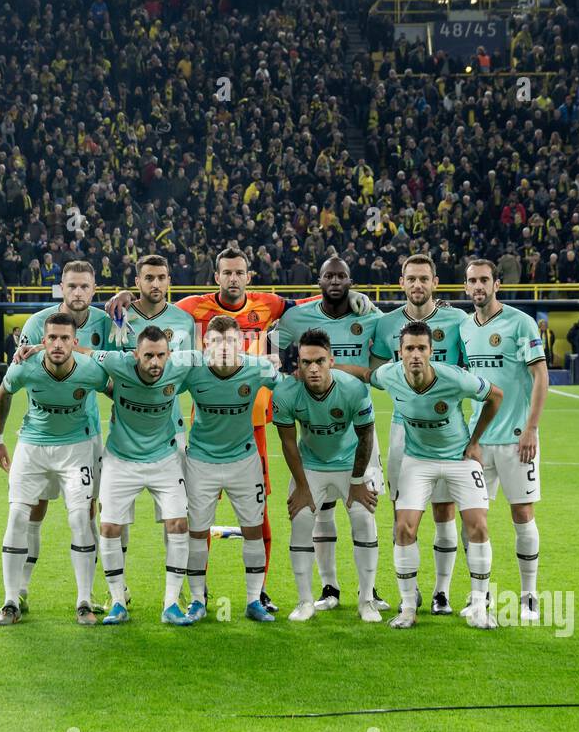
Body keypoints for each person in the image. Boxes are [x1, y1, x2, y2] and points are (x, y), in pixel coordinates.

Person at [105, 246, 376, 615]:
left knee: (256, 519)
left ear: (248, 276)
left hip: (254, 433)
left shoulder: (265, 309)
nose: (233, 278)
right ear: (216, 276)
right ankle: (198, 594)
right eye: (226, 272)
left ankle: (257, 594)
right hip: (201, 445)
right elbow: (156, 307)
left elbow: (308, 304)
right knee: (197, 523)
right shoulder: (191, 313)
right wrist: (128, 297)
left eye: (239, 272)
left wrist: (349, 293)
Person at [274, 255, 389, 613]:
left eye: (342, 275)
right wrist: (294, 373)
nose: (335, 281)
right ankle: (328, 589)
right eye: (328, 275)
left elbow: (380, 371)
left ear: (351, 279)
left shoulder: (370, 316)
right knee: (316, 514)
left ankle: (368, 593)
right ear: (319, 280)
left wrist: (343, 373)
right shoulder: (295, 317)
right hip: (314, 438)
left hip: (356, 430)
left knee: (364, 514)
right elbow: (272, 349)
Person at [370, 322, 504, 629]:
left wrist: (475, 441)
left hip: (460, 458)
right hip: (418, 461)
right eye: (409, 349)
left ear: (431, 351)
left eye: (421, 348)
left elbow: (495, 396)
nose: (415, 354)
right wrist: (332, 368)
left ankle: (480, 604)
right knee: (404, 528)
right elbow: (367, 375)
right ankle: (407, 608)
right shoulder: (389, 374)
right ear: (400, 352)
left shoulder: (454, 377)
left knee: (478, 526)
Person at [0, 311, 108, 626]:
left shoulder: (90, 370)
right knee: (18, 515)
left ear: (75, 342)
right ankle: (11, 601)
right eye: (52, 338)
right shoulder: (25, 366)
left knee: (81, 519)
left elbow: (118, 390)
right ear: (43, 342)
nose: (58, 344)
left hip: (77, 449)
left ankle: (84, 600)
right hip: (32, 447)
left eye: (64, 338)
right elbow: (4, 393)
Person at [368, 254, 468, 615]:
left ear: (435, 283)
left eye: (424, 279)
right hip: (403, 429)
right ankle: (408, 595)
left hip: (446, 429)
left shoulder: (457, 320)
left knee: (444, 510)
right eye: (411, 279)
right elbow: (377, 371)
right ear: (401, 282)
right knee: (402, 513)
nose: (418, 285)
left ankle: (442, 592)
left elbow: (470, 369)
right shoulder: (386, 324)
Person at [458, 258, 549, 623]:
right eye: (472, 281)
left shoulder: (520, 323)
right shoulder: (463, 327)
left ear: (497, 284)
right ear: (466, 288)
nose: (478, 286)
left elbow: (541, 377)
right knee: (473, 519)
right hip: (477, 441)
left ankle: (529, 595)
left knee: (522, 514)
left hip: (515, 440)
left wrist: (531, 429)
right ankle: (480, 595)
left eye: (484, 280)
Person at [90, 326, 196, 626]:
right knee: (109, 527)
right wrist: (38, 350)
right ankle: (117, 602)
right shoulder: (116, 362)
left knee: (178, 524)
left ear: (169, 354)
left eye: (161, 355)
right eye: (148, 355)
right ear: (134, 354)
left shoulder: (181, 364)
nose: (155, 363)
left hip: (164, 459)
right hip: (120, 460)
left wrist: (262, 360)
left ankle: (172, 604)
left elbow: (216, 356)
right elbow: (84, 354)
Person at [177, 315, 280, 622]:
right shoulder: (192, 369)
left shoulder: (257, 367)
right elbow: (158, 380)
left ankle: (253, 600)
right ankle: (197, 600)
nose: (224, 347)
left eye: (231, 340)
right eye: (218, 340)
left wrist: (280, 363)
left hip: (244, 462)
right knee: (196, 533)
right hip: (200, 463)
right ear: (206, 343)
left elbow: (288, 385)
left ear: (242, 344)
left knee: (253, 530)